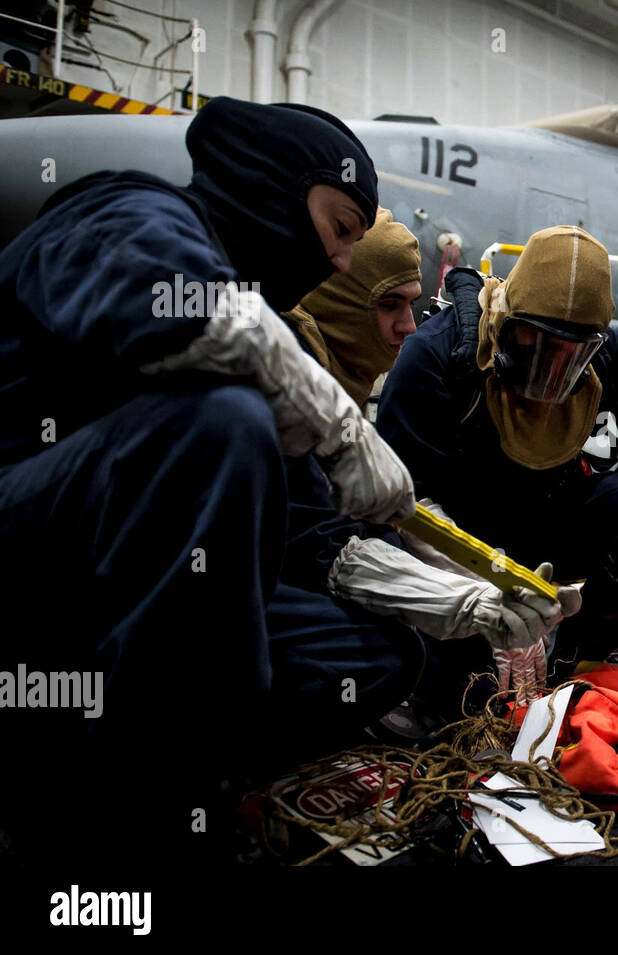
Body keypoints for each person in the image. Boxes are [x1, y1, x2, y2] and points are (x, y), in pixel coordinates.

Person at [0, 97, 416, 860]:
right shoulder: (123, 207)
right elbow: (164, 302)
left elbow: (298, 527)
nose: (342, 261)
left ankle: (169, 750)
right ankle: (128, 822)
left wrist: (437, 592)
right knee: (220, 420)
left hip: (141, 596)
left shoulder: (267, 337)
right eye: (340, 227)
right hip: (31, 553)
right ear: (274, 184)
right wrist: (341, 421)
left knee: (377, 650)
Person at [376, 225, 618, 676]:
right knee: (460, 691)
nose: (552, 374)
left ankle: (575, 658)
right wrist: (490, 597)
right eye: (539, 346)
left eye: (569, 356)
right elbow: (407, 507)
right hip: (456, 541)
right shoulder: (437, 356)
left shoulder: (604, 355)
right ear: (506, 323)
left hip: (548, 522)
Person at [278, 208, 580, 703]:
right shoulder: (289, 388)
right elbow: (322, 540)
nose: (405, 326)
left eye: (411, 305)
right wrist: (465, 602)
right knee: (390, 656)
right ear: (342, 303)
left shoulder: (335, 375)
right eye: (388, 305)